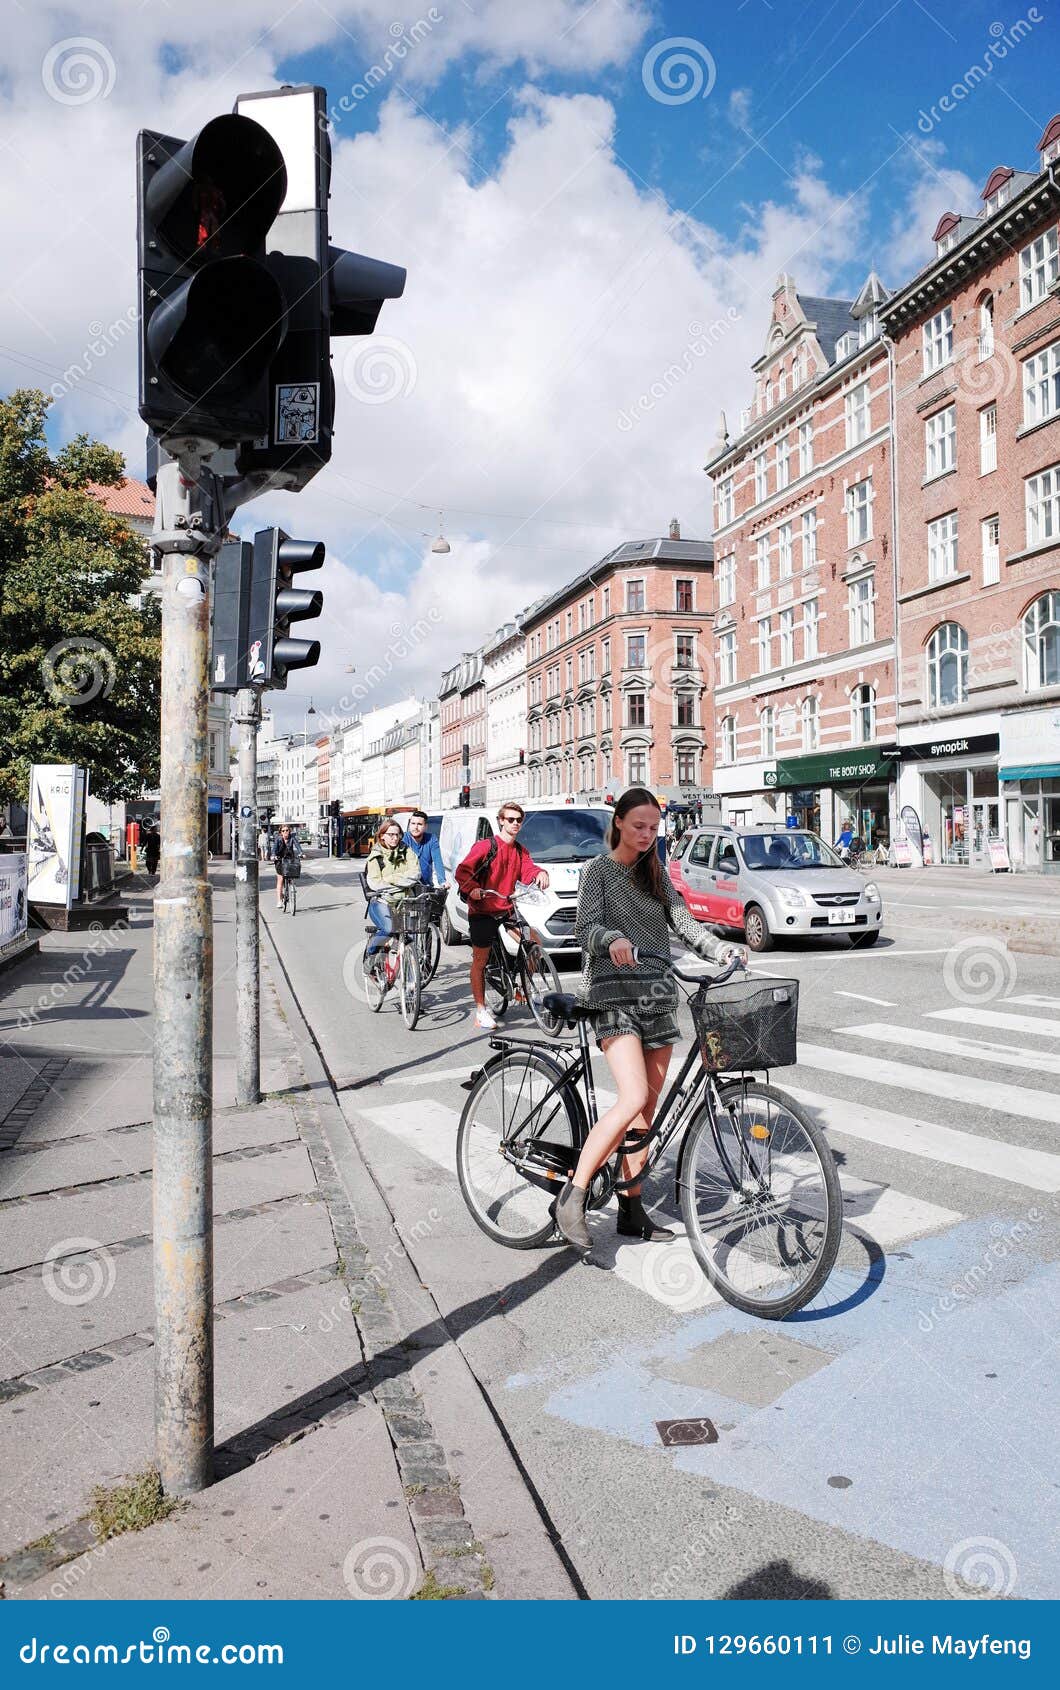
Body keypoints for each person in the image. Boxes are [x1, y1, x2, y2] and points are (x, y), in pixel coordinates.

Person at [553, 787, 746, 1259]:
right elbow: (586, 928)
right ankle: (573, 1196)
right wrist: (613, 938)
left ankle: (631, 1208)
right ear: (618, 822)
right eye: (639, 826)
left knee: (646, 1116)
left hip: (657, 996)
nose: (647, 835)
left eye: (654, 828)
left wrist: (720, 949)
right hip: (613, 994)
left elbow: (683, 920)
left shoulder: (656, 873)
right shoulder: (598, 871)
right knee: (633, 1095)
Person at [454, 803, 550, 1032]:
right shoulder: (486, 846)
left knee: (534, 941)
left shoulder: (520, 850)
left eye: (519, 819)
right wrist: (473, 889)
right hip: (482, 910)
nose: (515, 823)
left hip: (506, 907)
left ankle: (524, 987)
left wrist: (539, 873)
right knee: (480, 961)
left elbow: (528, 869)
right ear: (501, 821)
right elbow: (463, 871)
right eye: (510, 819)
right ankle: (481, 1010)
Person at [364, 819, 422, 967]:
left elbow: (416, 873)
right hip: (382, 902)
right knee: (388, 929)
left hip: (405, 901)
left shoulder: (407, 850)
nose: (395, 838)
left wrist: (391, 879)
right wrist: (403, 881)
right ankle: (371, 953)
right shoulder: (376, 855)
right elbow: (376, 883)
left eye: (398, 835)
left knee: (410, 934)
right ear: (382, 835)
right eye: (390, 834)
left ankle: (407, 973)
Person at [403, 810, 445, 885]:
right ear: (409, 825)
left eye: (419, 824)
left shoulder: (432, 839)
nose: (415, 827)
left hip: (425, 885)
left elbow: (437, 860)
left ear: (425, 826)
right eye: (413, 823)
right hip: (406, 885)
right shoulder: (403, 838)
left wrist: (442, 881)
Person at [273, 824, 301, 907]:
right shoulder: (278, 839)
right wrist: (273, 855)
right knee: (280, 879)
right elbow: (274, 848)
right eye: (283, 830)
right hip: (280, 859)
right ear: (280, 832)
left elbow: (297, 846)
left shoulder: (292, 838)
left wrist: (301, 853)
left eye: (287, 830)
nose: (285, 832)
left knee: (291, 874)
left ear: (289, 831)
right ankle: (279, 900)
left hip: (289, 859)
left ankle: (291, 886)